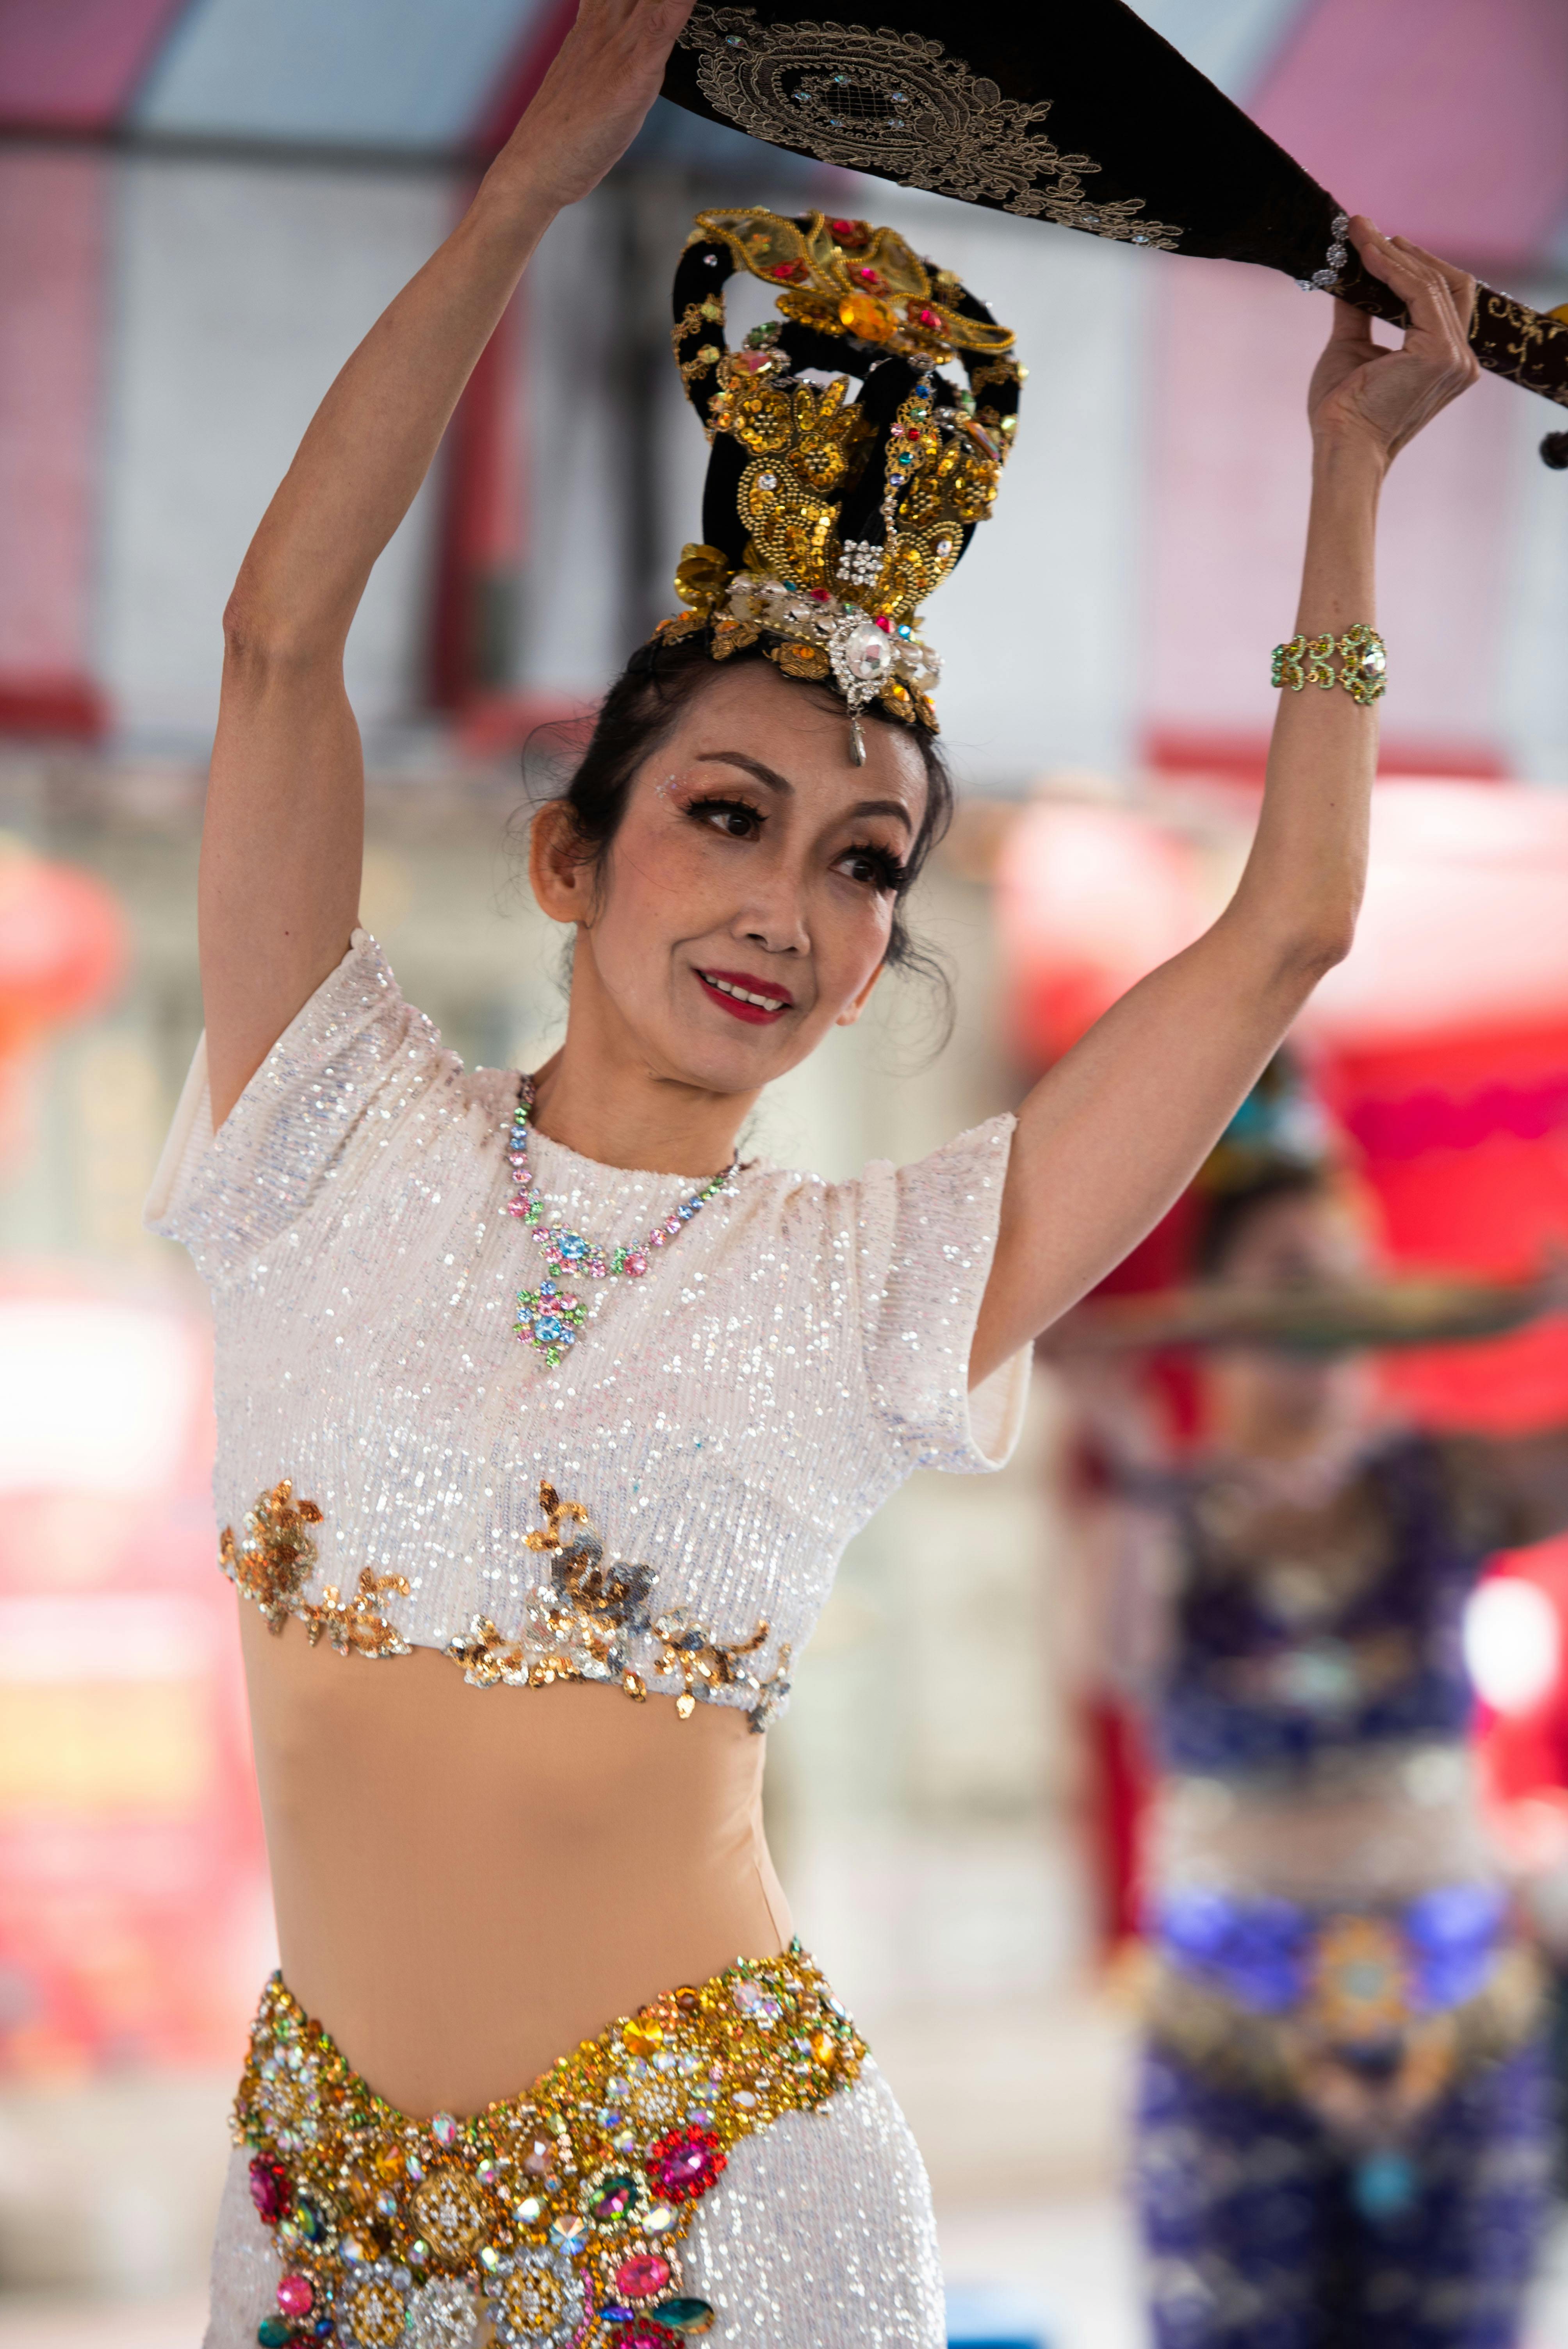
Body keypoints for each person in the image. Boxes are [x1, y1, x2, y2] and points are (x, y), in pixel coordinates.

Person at [143, 2, 1482, 2340]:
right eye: (728, 820)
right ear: (570, 859)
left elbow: (1288, 930)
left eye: (865, 868)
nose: (788, 905)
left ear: (881, 972)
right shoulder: (315, 1133)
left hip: (733, 2232)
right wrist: (522, 205)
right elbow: (278, 655)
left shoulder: (895, 1278)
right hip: (318, 2230)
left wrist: (1349, 475)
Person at [1053, 1075, 1568, 2348]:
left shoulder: (1443, 1478)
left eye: (1351, 1275)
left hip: (1463, 2023)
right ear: (1219, 1310)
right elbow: (1106, 1660)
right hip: (1231, 2037)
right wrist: (1123, 1452)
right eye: (1293, 1279)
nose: (1332, 1312)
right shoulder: (1164, 1513)